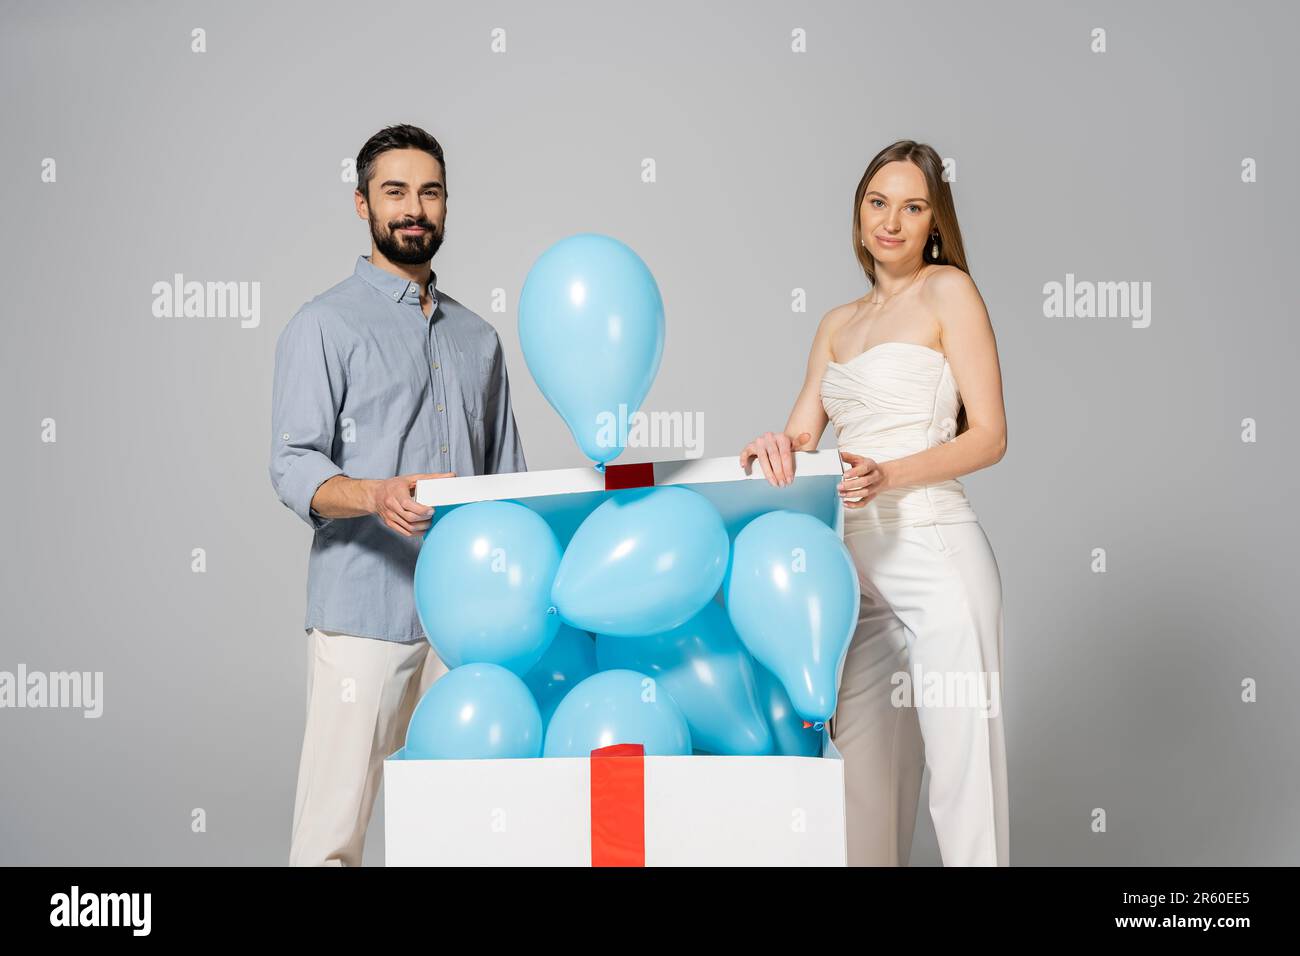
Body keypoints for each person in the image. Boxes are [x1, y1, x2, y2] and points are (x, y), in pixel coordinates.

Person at [739, 140, 1009, 866]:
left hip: (933, 548)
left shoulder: (948, 291)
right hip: (851, 570)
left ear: (933, 223)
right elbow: (802, 435)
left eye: (913, 207)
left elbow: (989, 437)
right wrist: (774, 446)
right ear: (858, 214)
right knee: (863, 790)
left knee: (963, 775)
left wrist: (890, 475)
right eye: (877, 202)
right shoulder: (835, 322)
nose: (892, 221)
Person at [269, 124, 528, 866]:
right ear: (361, 204)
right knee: (332, 835)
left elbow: (507, 477)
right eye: (395, 192)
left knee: (462, 830)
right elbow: (291, 464)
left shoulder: (478, 339)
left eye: (430, 191)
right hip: (365, 614)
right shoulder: (324, 324)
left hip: (469, 625)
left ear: (445, 205)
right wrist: (377, 494)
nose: (414, 208)